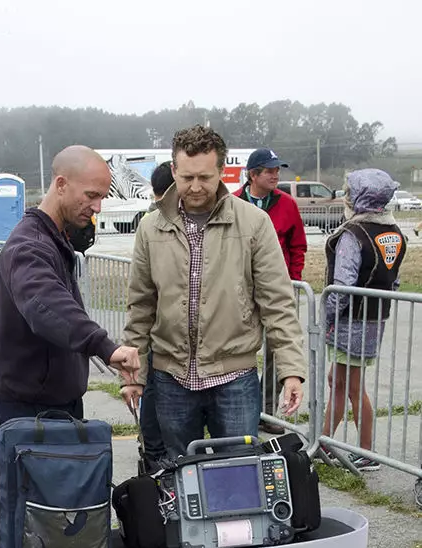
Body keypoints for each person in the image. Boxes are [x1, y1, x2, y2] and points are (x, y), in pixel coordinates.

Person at [121, 126, 307, 458]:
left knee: (239, 473)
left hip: (235, 379)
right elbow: (140, 308)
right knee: (179, 475)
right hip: (170, 379)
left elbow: (277, 303)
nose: (195, 187)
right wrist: (133, 376)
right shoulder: (150, 227)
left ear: (222, 172)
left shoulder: (254, 223)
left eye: (205, 177)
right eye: (187, 177)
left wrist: (291, 371)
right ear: (174, 170)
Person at [0, 145, 140, 424]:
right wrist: (106, 347)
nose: (97, 207)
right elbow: (47, 306)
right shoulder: (29, 246)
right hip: (32, 408)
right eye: (91, 196)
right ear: (61, 185)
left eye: (102, 198)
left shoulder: (56, 238)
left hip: (58, 400)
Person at [321, 169, 408, 472]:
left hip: (349, 319)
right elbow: (394, 280)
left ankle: (367, 452)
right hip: (374, 317)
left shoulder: (353, 234)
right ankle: (323, 442)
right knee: (338, 380)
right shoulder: (394, 232)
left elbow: (342, 284)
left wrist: (326, 315)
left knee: (353, 386)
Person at [234, 148, 308, 429]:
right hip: (242, 290)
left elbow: (298, 245)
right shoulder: (234, 202)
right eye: (269, 170)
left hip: (276, 289)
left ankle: (267, 410)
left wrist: (292, 279)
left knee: (277, 351)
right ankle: (243, 409)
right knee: (242, 350)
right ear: (253, 175)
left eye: (278, 170)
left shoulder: (287, 204)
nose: (276, 175)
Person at [135, 160, 175, 471]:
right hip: (158, 332)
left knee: (154, 389)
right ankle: (154, 450)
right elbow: (141, 293)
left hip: (172, 335)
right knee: (151, 389)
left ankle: (156, 449)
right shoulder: (151, 225)